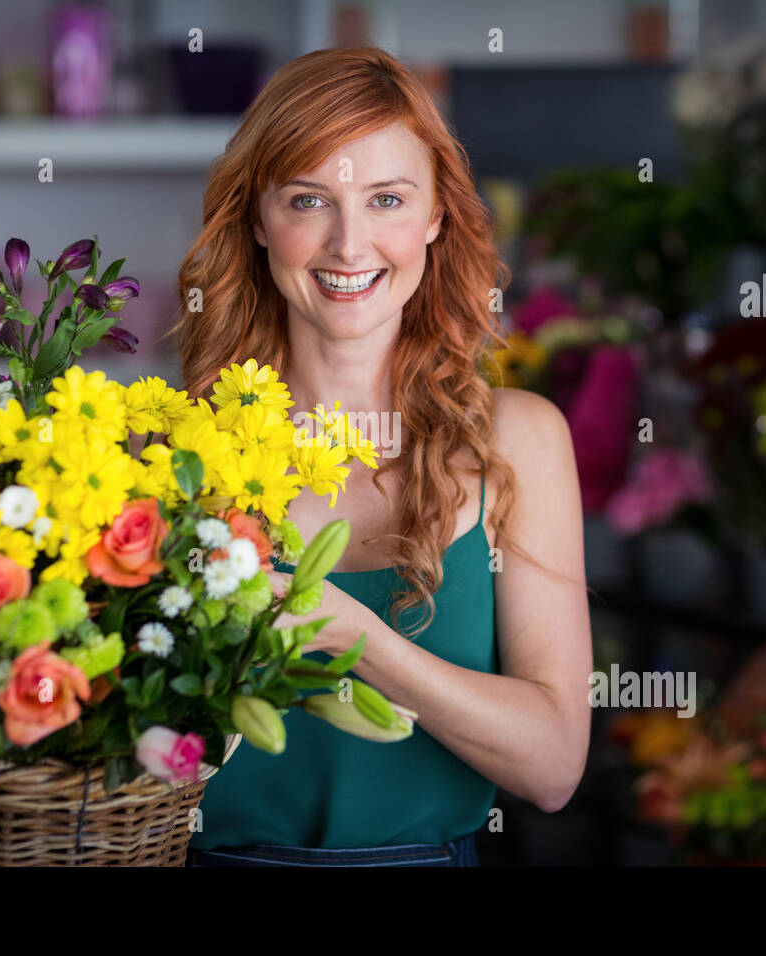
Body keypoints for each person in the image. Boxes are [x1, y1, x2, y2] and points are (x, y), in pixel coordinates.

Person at [170, 46, 592, 866]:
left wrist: (356, 639)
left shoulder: (520, 439)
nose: (349, 244)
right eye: (308, 200)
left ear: (436, 215)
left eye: (387, 199)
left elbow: (552, 768)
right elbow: (118, 769)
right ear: (257, 219)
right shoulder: (174, 450)